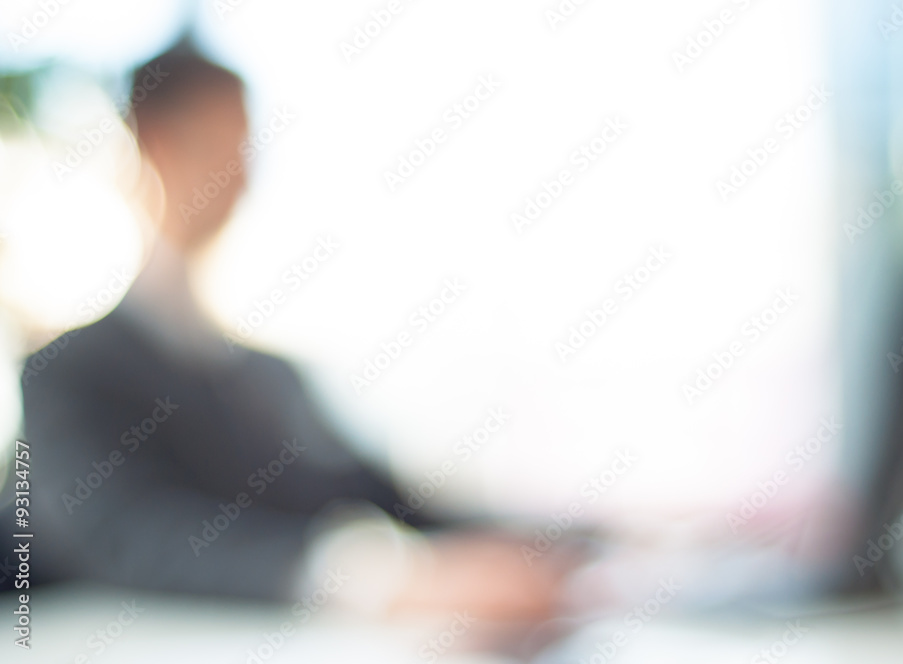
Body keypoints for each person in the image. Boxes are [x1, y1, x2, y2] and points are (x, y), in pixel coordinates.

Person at [17, 42, 561, 620]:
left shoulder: (267, 376)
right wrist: (381, 581)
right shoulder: (68, 371)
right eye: (224, 143)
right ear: (158, 143)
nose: (245, 177)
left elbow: (386, 496)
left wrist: (553, 540)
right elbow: (125, 539)